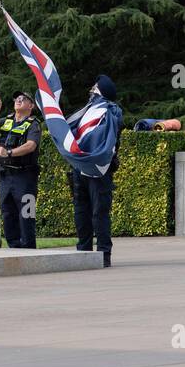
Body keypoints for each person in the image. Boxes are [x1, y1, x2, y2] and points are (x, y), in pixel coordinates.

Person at [69, 74, 122, 267]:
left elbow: (107, 140)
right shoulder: (87, 111)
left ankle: (103, 254)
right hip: (80, 167)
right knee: (81, 210)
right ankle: (83, 252)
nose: (91, 90)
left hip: (99, 169)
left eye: (94, 88)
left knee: (99, 212)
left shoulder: (110, 111)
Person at [0, 90, 42, 249]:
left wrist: (8, 152)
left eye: (24, 99)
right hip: (6, 176)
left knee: (26, 215)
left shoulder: (33, 124)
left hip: (25, 176)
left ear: (31, 106)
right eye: (17, 98)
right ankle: (14, 249)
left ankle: (29, 251)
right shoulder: (7, 120)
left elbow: (31, 146)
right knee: (8, 214)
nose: (19, 100)